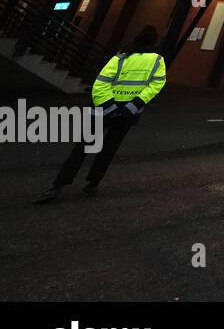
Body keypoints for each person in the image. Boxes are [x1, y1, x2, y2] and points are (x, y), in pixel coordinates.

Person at [34, 26, 167, 203]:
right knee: (109, 149)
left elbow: (101, 84)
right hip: (129, 112)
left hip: (103, 110)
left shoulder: (120, 57)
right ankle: (93, 184)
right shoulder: (157, 61)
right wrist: (134, 104)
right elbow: (156, 84)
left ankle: (58, 185)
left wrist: (109, 106)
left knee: (83, 147)